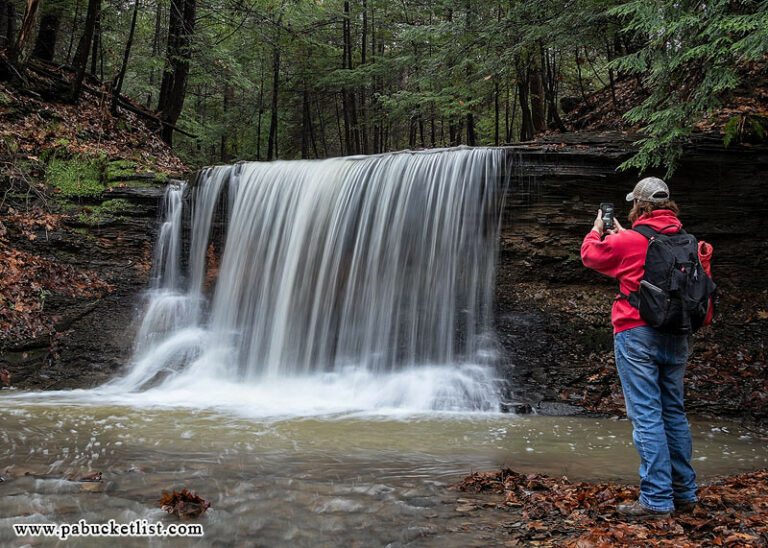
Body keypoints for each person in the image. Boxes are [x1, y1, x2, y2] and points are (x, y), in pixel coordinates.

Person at [580, 177, 712, 520]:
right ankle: (684, 493)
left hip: (636, 335)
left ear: (639, 206)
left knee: (647, 417)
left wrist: (598, 230)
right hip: (678, 335)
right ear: (669, 206)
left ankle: (655, 499)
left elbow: (591, 256)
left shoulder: (629, 240)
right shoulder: (687, 240)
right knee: (673, 413)